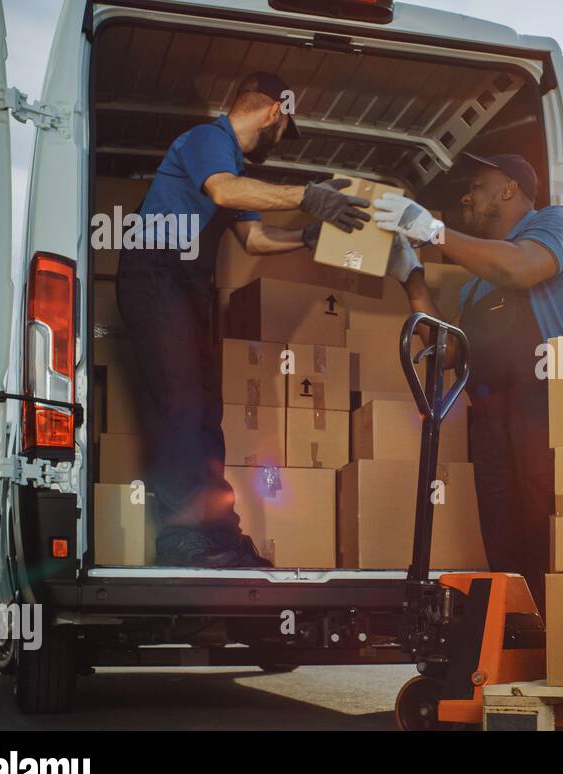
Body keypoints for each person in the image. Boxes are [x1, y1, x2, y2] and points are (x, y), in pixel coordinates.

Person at [116, 72, 371, 568]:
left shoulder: (230, 160)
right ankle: (179, 538)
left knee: (207, 411)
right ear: (276, 111)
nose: (280, 142)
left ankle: (219, 532)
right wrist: (305, 195)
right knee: (179, 405)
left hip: (188, 287)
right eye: (286, 128)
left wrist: (307, 237)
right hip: (154, 272)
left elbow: (253, 241)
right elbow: (225, 193)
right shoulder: (207, 141)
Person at [374, 153, 563, 613]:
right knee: (504, 544)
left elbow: (520, 267)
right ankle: (524, 646)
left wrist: (433, 230)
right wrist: (411, 277)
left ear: (509, 189)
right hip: (491, 421)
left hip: (549, 406)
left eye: (478, 184)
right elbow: (450, 353)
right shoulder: (474, 287)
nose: (466, 195)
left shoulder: (558, 224)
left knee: (551, 533)